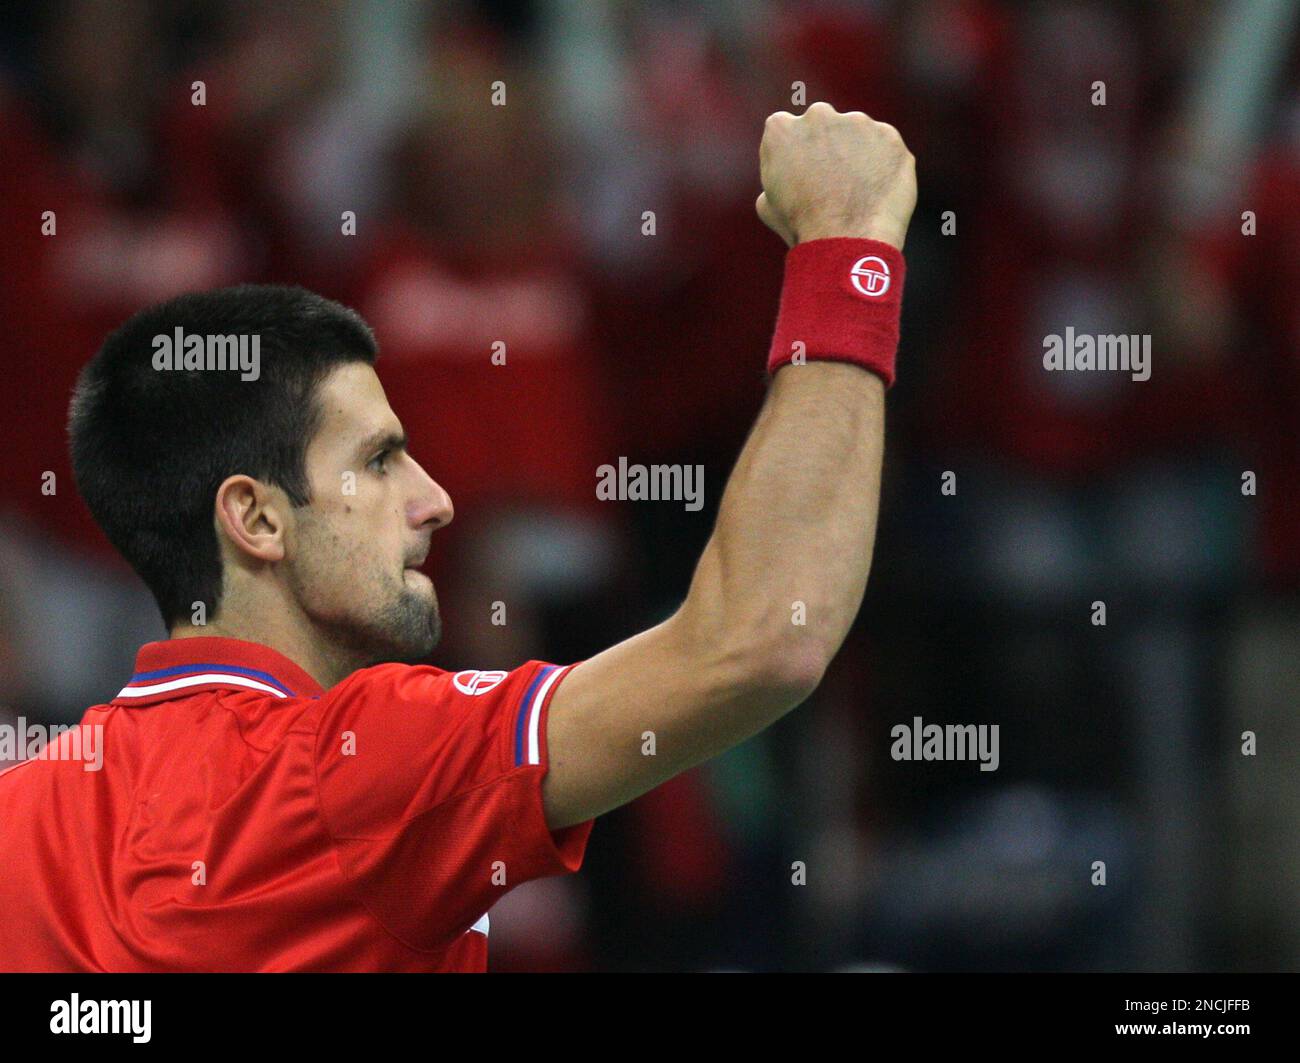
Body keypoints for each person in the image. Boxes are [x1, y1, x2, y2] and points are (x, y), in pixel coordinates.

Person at [0, 102, 916, 971]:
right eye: (383, 459)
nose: (437, 500)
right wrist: (847, 248)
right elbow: (764, 640)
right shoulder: (361, 765)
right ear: (257, 518)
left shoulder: (24, 808)